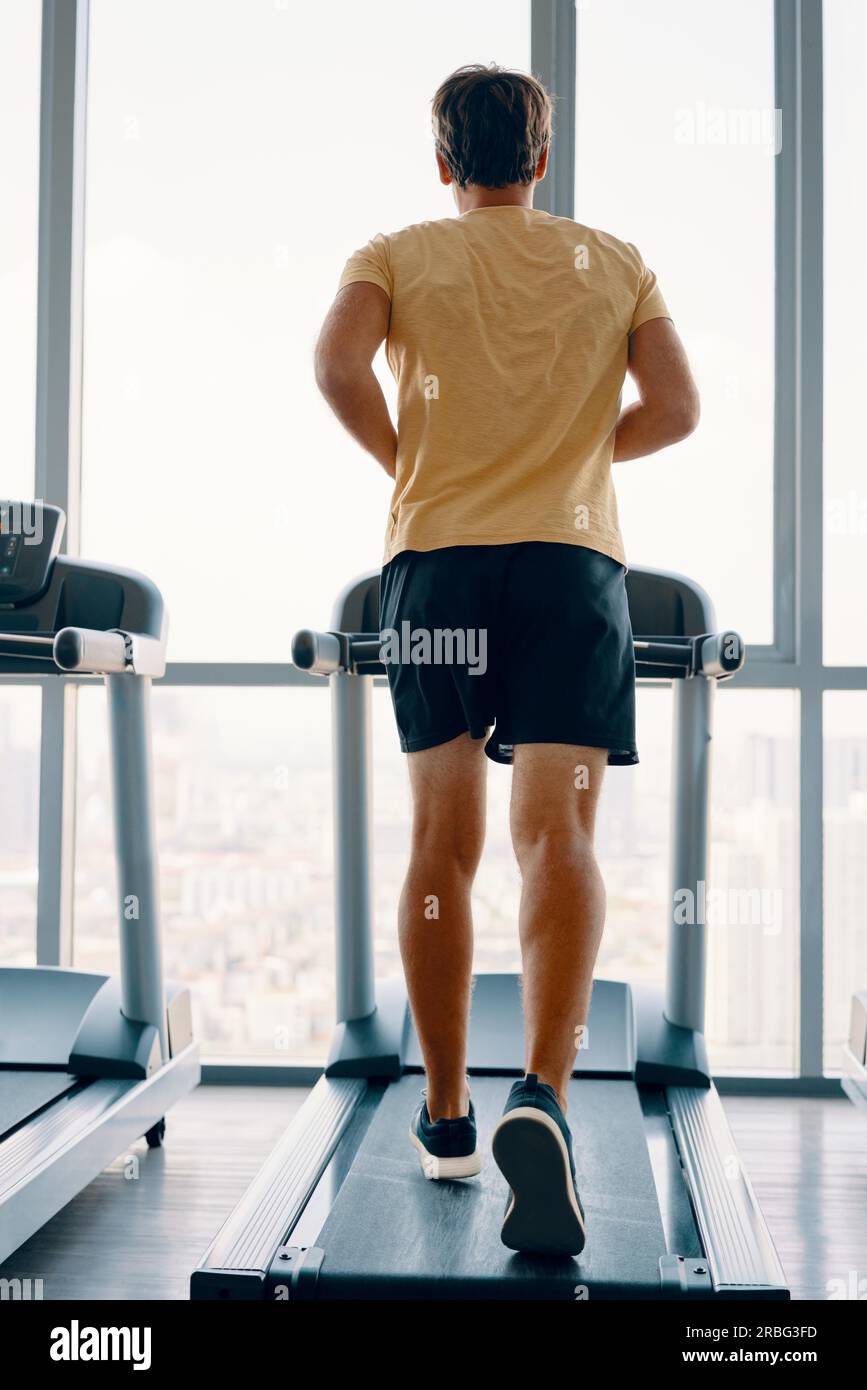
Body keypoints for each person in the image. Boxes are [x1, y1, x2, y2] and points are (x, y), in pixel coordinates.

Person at [313, 63, 699, 1256]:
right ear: (541, 159)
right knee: (558, 836)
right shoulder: (614, 258)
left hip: (436, 567)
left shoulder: (396, 251)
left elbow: (335, 369)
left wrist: (417, 472)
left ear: (444, 160)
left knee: (443, 841)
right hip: (572, 572)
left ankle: (444, 1114)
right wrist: (576, 456)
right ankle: (544, 1090)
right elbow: (679, 407)